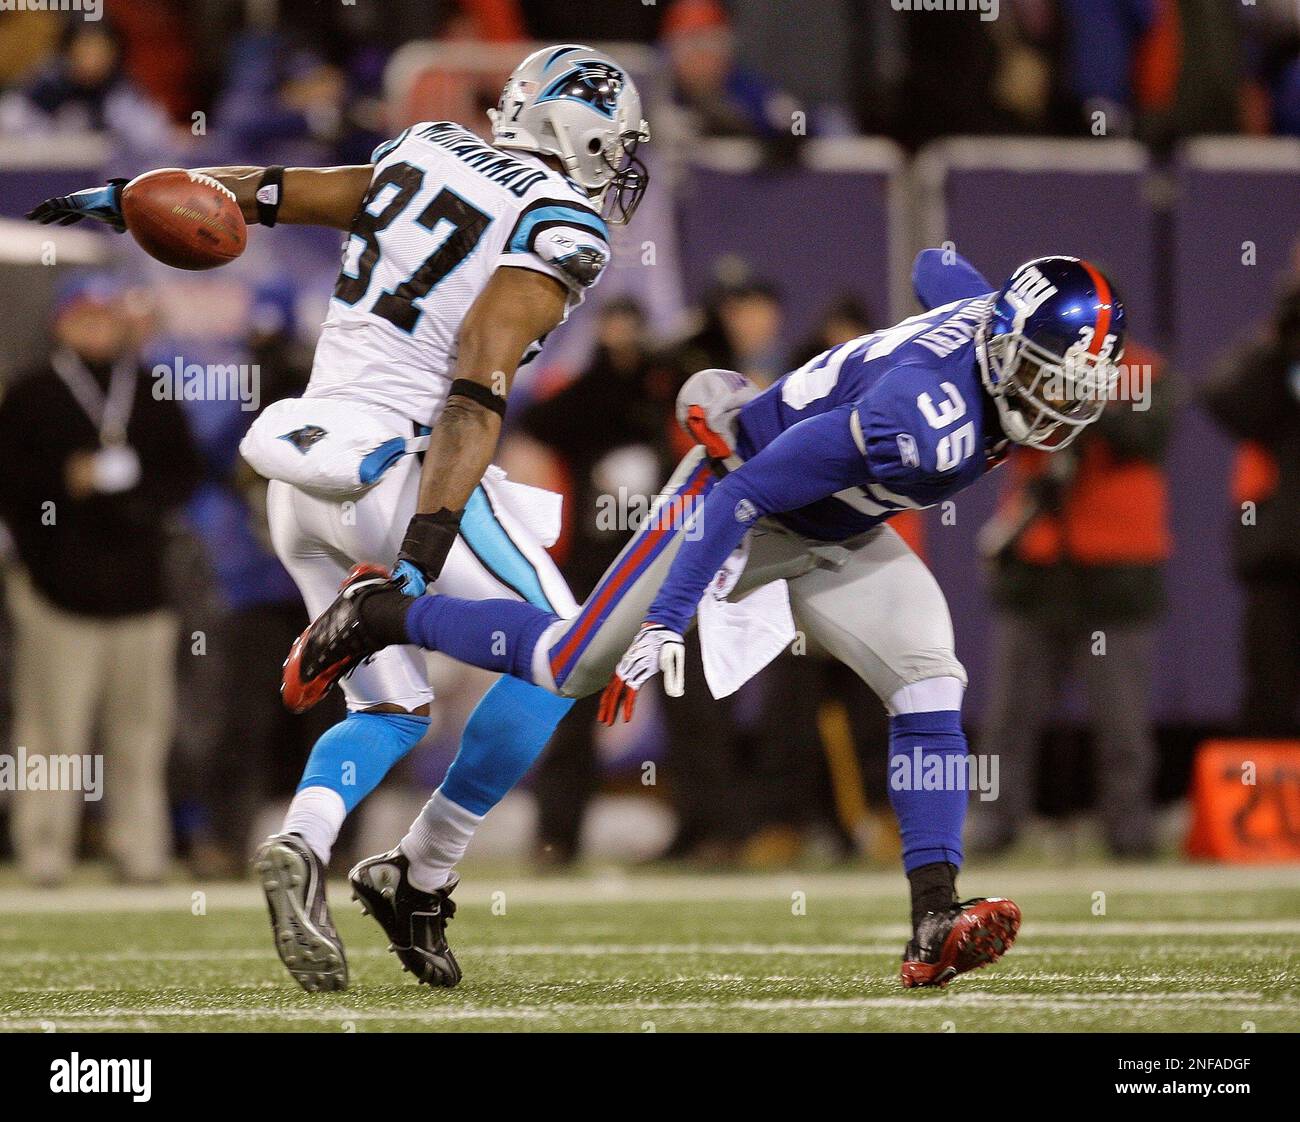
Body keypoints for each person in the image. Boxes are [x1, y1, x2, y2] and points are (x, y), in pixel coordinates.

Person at [288, 249, 1129, 988]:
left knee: (930, 678)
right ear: (1001, 348)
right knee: (569, 664)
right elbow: (745, 493)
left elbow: (935, 269)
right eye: (1046, 375)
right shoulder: (921, 418)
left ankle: (936, 918)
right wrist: (667, 621)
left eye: (1074, 381)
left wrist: (975, 294)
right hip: (736, 500)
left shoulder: (987, 333)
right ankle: (383, 611)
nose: (1059, 399)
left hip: (840, 528)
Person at [27, 43, 650, 992]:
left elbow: (275, 191)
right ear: (584, 135)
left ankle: (302, 841)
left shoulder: (428, 145)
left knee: (393, 705)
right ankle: (423, 871)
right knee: (568, 654)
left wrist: (136, 194)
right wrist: (419, 558)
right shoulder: (561, 221)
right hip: (397, 467)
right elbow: (476, 384)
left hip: (301, 473)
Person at [0, 274, 201, 886]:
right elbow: (10, 481)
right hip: (56, 593)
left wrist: (137, 494)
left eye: (107, 315)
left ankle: (141, 849)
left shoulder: (150, 390)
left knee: (141, 733)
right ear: (62, 322)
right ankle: (44, 850)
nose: (98, 326)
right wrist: (65, 480)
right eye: (86, 315)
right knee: (51, 733)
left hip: (141, 592)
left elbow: (185, 474)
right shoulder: (33, 393)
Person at [975, 339, 1172, 857]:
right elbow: (998, 430)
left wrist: (1085, 397)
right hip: (1038, 564)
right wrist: (1044, 388)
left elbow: (1147, 436)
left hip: (1116, 573)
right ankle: (995, 820)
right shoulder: (1023, 367)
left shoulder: (1144, 372)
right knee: (1010, 713)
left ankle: (1129, 827)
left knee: (1122, 716)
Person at [1204, 283, 1300, 735]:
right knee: (1270, 695)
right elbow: (1223, 398)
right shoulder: (1276, 354)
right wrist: (1280, 338)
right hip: (1277, 554)